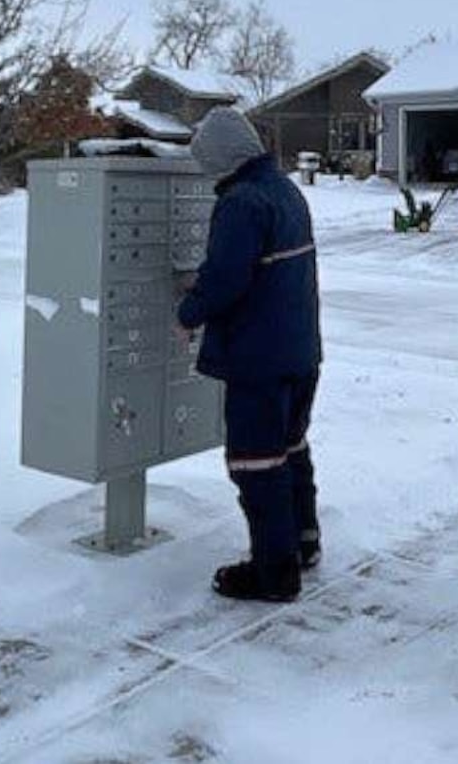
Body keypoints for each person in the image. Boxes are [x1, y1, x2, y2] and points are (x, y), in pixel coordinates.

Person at [177, 108, 323, 603]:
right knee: (291, 449)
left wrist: (188, 312)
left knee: (257, 464)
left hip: (259, 357)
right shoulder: (285, 191)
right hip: (300, 351)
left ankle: (273, 573)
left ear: (221, 157)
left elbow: (225, 278)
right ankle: (303, 543)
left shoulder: (242, 202)